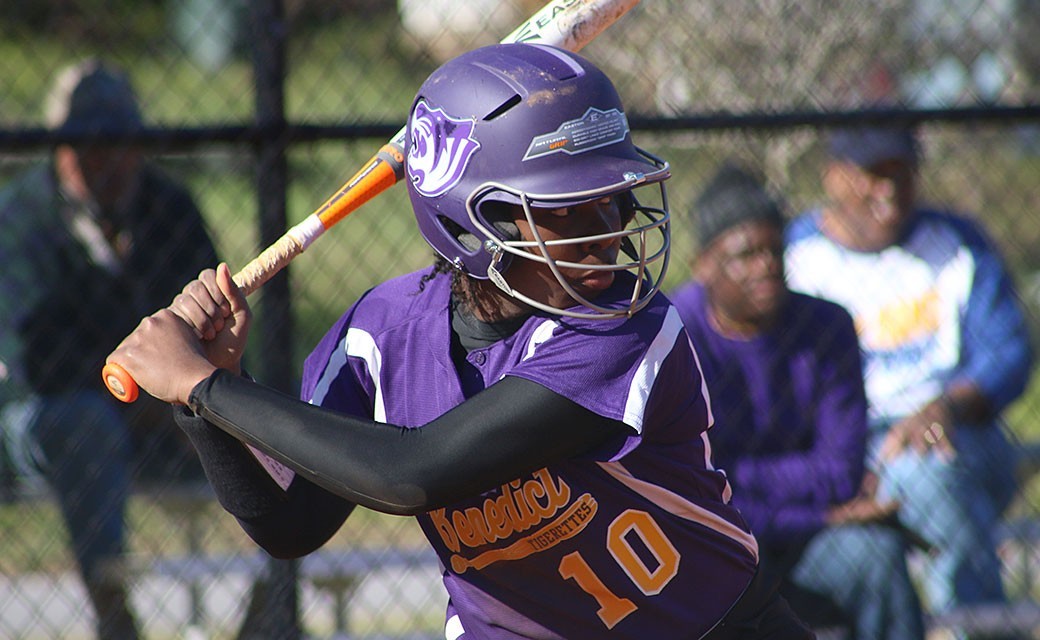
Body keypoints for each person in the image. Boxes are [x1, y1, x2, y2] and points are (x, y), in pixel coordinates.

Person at [107, 43, 815, 639]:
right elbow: (291, 527)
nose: (609, 231)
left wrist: (204, 384)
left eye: (614, 198)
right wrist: (206, 400)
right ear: (473, 226)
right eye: (568, 209)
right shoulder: (383, 335)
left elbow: (413, 472)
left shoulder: (624, 328)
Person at [0, 59, 219, 639]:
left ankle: (274, 597)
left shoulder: (168, 208)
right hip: (49, 421)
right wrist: (144, 392)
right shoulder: (20, 219)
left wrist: (193, 395)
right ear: (60, 150)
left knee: (266, 405)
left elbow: (214, 317)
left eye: (121, 144)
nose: (109, 162)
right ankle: (112, 610)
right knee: (85, 424)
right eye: (90, 146)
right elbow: (35, 362)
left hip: (164, 412)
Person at [784, 123, 1035, 618]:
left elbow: (1008, 354)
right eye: (874, 173)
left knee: (926, 472)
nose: (890, 189)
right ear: (834, 176)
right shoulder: (796, 257)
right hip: (847, 449)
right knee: (878, 536)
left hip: (959, 440)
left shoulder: (958, 243)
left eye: (903, 172)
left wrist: (945, 407)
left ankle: (975, 622)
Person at [670, 161, 925, 639]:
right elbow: (694, 490)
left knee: (875, 557)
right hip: (719, 542)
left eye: (774, 249)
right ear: (704, 265)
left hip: (810, 540)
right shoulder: (673, 337)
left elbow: (840, 471)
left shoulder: (826, 327)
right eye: (745, 255)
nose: (766, 265)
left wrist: (746, 483)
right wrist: (820, 512)